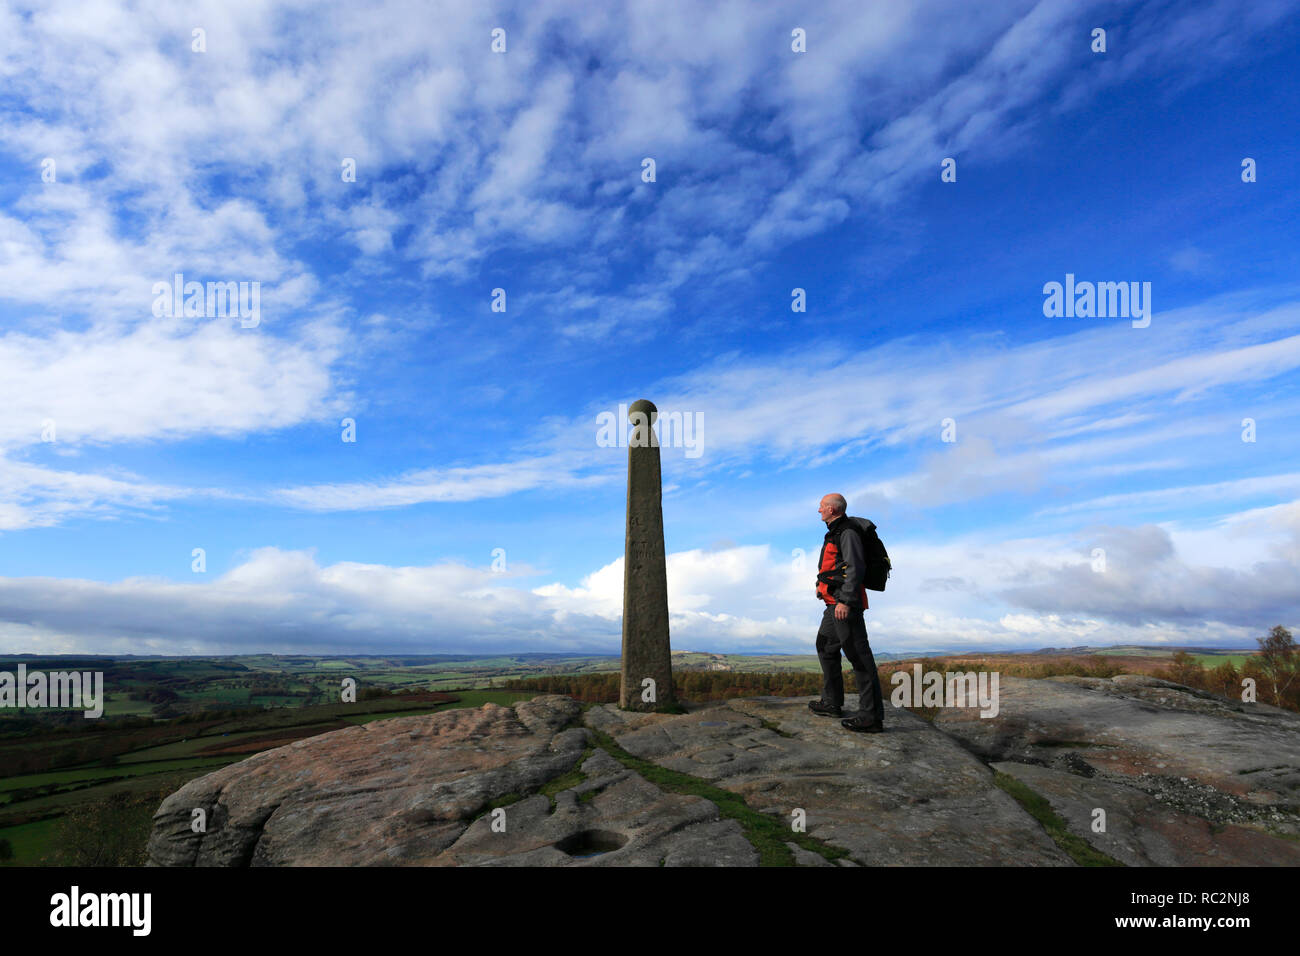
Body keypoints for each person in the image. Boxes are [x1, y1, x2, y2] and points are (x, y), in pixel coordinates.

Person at [809, 494, 885, 732]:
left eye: (822, 506)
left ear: (832, 509)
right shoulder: (836, 531)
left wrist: (847, 601)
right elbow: (836, 566)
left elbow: (855, 567)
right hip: (833, 604)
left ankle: (871, 717)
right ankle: (832, 702)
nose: (818, 509)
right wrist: (823, 588)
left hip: (845, 605)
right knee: (825, 647)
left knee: (859, 657)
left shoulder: (848, 532)